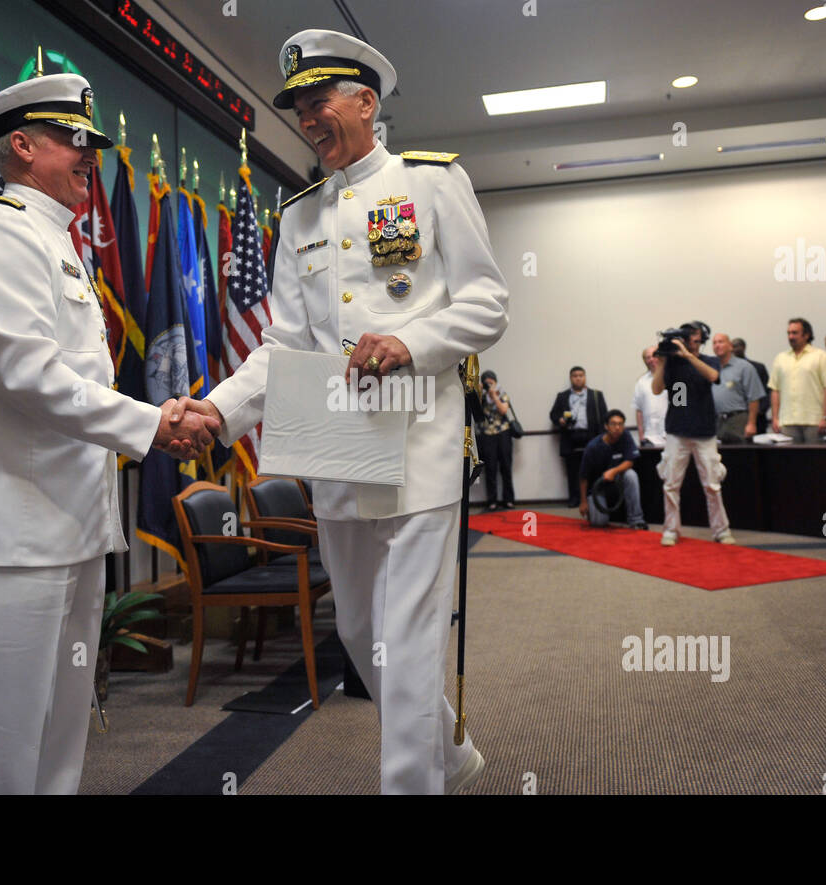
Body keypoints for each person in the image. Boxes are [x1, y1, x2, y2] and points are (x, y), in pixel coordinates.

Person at [169, 30, 508, 794]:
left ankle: (411, 783)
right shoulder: (299, 216)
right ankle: (448, 756)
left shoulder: (431, 183)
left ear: (366, 101)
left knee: (409, 640)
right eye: (298, 108)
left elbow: (489, 302)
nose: (308, 118)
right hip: (338, 447)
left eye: (320, 101)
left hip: (418, 440)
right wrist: (217, 413)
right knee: (361, 634)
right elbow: (282, 346)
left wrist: (410, 341)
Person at [0, 74, 220, 794]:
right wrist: (151, 424)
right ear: (22, 147)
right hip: (15, 535)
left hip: (69, 527)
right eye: (72, 140)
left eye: (89, 141)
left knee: (60, 736)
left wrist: (150, 422)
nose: (88, 154)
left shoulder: (57, 241)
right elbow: (25, 374)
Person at [651, 322, 734, 546]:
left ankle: (721, 529)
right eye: (689, 337)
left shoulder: (707, 361)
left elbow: (713, 376)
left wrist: (688, 356)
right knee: (671, 484)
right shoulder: (672, 364)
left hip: (704, 431)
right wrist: (662, 362)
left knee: (712, 484)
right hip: (677, 430)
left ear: (702, 340)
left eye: (697, 338)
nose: (693, 341)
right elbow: (656, 389)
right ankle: (670, 530)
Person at [578, 410, 647, 530]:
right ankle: (594, 508)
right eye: (613, 424)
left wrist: (613, 471)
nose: (617, 427)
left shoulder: (625, 436)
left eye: (620, 424)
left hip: (616, 482)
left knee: (631, 475)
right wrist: (583, 501)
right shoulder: (593, 447)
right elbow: (583, 476)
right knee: (599, 523)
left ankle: (636, 521)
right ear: (606, 426)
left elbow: (630, 461)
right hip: (597, 488)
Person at [549, 366, 608, 506]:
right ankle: (574, 498)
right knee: (572, 470)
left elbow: (605, 416)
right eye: (575, 375)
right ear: (571, 378)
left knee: (593, 468)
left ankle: (592, 497)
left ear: (585, 377)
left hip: (591, 436)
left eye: (581, 375)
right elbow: (553, 415)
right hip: (571, 436)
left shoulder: (596, 395)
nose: (578, 378)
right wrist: (560, 421)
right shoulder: (562, 396)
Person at [769, 318, 826, 442]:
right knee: (790, 460)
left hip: (814, 421)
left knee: (816, 459)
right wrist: (775, 418)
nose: (791, 336)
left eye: (795, 333)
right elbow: (775, 390)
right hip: (787, 420)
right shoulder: (781, 358)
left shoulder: (820, 356)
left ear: (806, 335)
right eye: (789, 333)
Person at [710, 333, 764, 442]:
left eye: (721, 342)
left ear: (730, 346)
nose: (717, 345)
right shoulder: (710, 368)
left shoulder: (745, 367)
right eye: (714, 343)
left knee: (739, 455)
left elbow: (754, 398)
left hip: (737, 420)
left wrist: (751, 423)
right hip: (716, 421)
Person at [476, 370, 516, 510]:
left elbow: (504, 410)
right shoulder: (480, 395)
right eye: (486, 383)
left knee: (506, 467)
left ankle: (508, 499)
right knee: (490, 469)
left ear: (496, 382)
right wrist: (479, 393)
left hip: (503, 433)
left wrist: (493, 396)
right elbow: (476, 412)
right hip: (487, 435)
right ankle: (491, 500)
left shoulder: (501, 393)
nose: (489, 385)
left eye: (491, 382)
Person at [732, 337, 770, 432]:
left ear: (744, 347)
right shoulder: (725, 369)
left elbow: (767, 392)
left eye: (737, 346)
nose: (735, 349)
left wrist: (759, 411)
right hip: (734, 419)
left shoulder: (758, 368)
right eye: (733, 346)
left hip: (757, 419)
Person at [632, 346, 668, 446]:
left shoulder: (674, 378)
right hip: (650, 436)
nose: (651, 359)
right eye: (648, 357)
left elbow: (681, 406)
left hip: (671, 435)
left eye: (654, 355)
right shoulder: (641, 382)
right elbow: (638, 410)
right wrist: (641, 436)